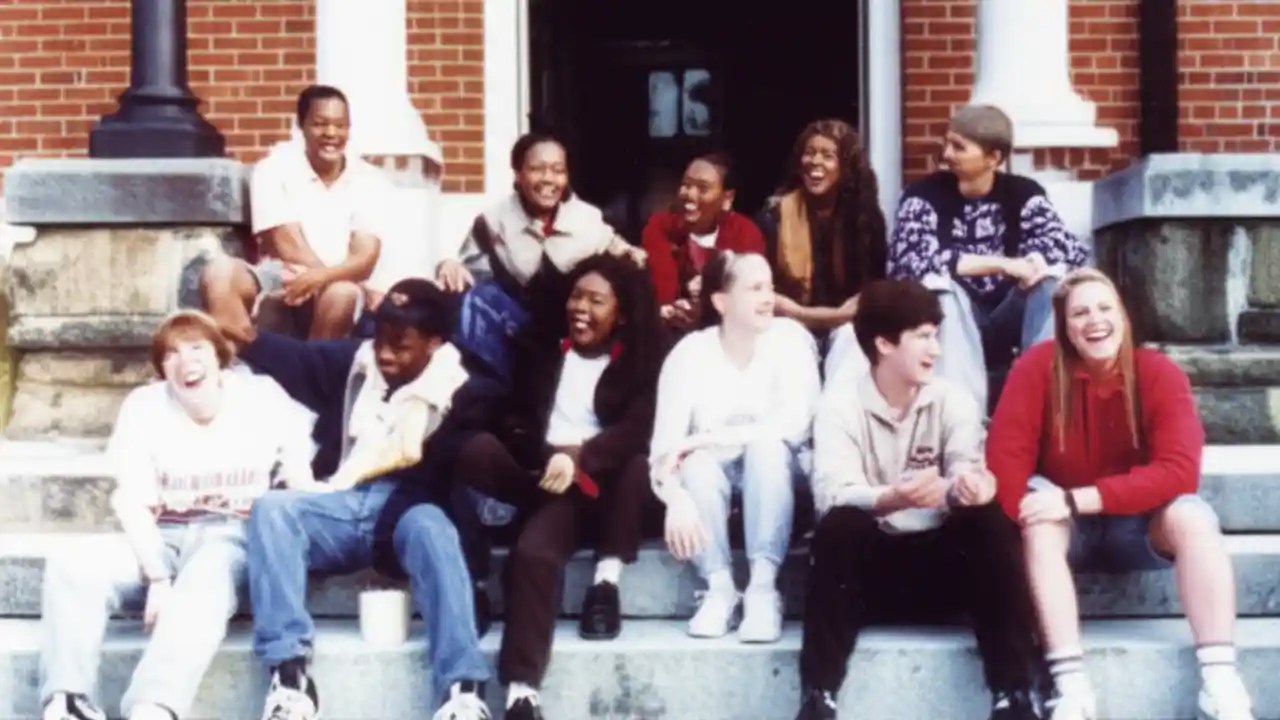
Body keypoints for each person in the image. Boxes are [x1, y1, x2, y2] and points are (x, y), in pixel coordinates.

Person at [988, 268, 1255, 720]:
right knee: (1038, 513)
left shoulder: (1158, 373)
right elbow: (1005, 463)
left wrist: (1080, 498)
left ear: (1124, 317)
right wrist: (1041, 513)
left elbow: (1179, 472)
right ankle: (1071, 687)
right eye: (1080, 312)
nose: (1095, 320)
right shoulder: (1037, 368)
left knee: (1194, 516)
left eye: (1105, 308)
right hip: (1065, 531)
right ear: (1064, 326)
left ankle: (1220, 680)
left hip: (1138, 525)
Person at [229, 279, 501, 720]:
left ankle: (461, 690)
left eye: (402, 345)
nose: (386, 355)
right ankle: (290, 676)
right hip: (342, 499)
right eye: (380, 341)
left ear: (435, 343)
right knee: (273, 510)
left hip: (408, 510)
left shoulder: (465, 392)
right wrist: (246, 338)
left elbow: (436, 479)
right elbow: (296, 358)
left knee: (434, 528)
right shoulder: (358, 364)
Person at [39, 311, 319, 720]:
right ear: (161, 370)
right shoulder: (144, 406)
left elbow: (297, 463)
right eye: (170, 354)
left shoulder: (261, 395)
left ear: (219, 357)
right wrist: (157, 575)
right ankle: (68, 700)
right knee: (72, 566)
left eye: (196, 348)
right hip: (161, 533)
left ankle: (154, 704)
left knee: (204, 581)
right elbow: (131, 499)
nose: (184, 361)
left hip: (232, 532)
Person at [795, 280, 1040, 720]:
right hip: (869, 577)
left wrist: (972, 486)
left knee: (989, 522)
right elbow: (832, 493)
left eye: (935, 335)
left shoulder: (952, 400)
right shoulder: (839, 405)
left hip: (943, 570)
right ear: (884, 343)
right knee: (839, 527)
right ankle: (819, 695)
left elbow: (968, 463)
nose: (936, 350)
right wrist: (891, 498)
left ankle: (1013, 696)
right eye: (922, 337)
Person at [453, 254, 666, 720]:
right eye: (576, 296)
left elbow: (637, 430)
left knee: (635, 465)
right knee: (531, 551)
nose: (581, 307)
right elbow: (515, 419)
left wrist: (580, 457)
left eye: (596, 300)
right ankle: (522, 692)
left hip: (611, 489)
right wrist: (549, 456)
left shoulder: (641, 363)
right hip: (554, 486)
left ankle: (605, 585)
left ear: (621, 314)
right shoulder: (546, 353)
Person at [650, 251, 820, 643]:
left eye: (771, 288)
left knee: (765, 446)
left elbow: (797, 423)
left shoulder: (792, 340)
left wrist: (706, 438)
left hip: (783, 477)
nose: (769, 298)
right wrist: (675, 498)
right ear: (721, 301)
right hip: (716, 479)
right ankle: (719, 586)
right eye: (755, 288)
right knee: (694, 465)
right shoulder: (689, 353)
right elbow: (666, 448)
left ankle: (763, 589)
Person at [888, 104, 1088, 412]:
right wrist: (1003, 264)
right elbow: (913, 262)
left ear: (993, 158)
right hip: (951, 321)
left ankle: (1045, 407)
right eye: (947, 142)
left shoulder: (1023, 194)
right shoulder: (922, 195)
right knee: (940, 292)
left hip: (1009, 314)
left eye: (959, 146)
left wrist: (1034, 267)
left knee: (1050, 286)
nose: (946, 154)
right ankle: (963, 419)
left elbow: (1067, 251)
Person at [201, 84, 390, 343]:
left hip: (340, 283)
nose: (331, 133)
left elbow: (366, 256)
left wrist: (322, 278)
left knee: (341, 294)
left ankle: (312, 375)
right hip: (283, 276)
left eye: (340, 125)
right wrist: (320, 277)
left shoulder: (370, 179)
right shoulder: (273, 170)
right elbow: (286, 244)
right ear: (301, 126)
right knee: (220, 274)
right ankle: (239, 360)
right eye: (320, 124)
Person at [435, 131, 645, 337]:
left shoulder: (588, 220)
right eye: (536, 169)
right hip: (512, 336)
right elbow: (472, 279)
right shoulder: (493, 222)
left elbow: (622, 254)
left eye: (558, 170)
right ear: (518, 174)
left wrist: (632, 255)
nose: (548, 179)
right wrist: (451, 266)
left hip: (575, 336)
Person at [757, 119, 888, 379]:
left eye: (828, 156)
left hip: (849, 325)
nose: (815, 162)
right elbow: (768, 295)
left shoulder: (866, 219)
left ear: (847, 166)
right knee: (787, 341)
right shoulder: (775, 215)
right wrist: (810, 314)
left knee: (851, 341)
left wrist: (841, 317)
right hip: (790, 322)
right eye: (810, 153)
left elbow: (872, 293)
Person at [642, 152, 766, 333]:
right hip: (669, 329)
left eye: (702, 188)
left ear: (727, 199)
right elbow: (662, 292)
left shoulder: (746, 233)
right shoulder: (658, 227)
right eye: (686, 185)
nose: (689, 195)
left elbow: (751, 294)